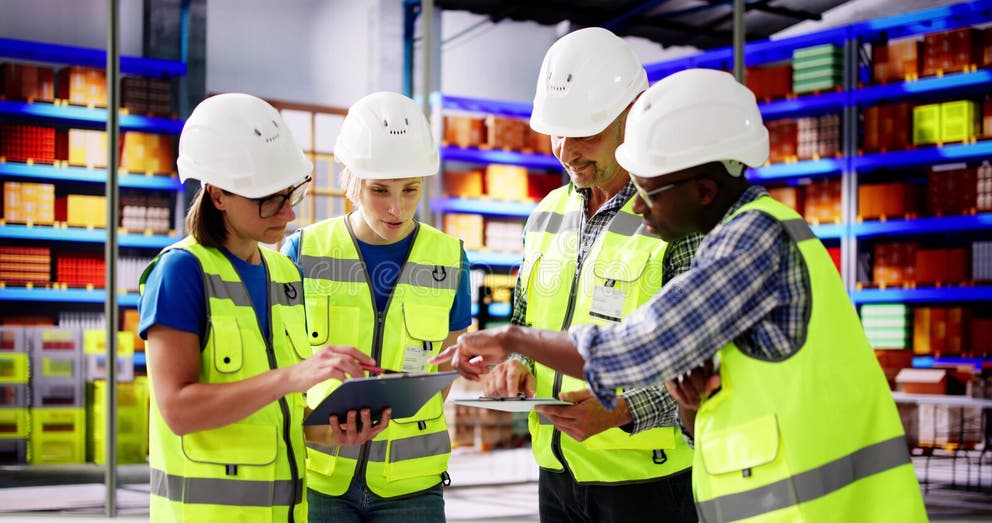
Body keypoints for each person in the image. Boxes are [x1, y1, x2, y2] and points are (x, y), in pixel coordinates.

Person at [433, 68, 928, 522]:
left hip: (815, 508)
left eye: (649, 192)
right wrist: (690, 409)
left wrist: (515, 339)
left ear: (704, 191)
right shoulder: (756, 231)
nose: (640, 211)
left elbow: (638, 348)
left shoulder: (754, 243)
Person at [477, 26, 700, 523]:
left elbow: (702, 356)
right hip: (555, 475)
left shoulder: (678, 217)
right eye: (558, 132)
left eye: (586, 133)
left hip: (647, 482)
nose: (567, 150)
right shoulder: (546, 214)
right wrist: (515, 364)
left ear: (633, 113)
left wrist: (622, 410)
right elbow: (523, 318)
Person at [139, 93, 384, 523]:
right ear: (217, 195)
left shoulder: (284, 274)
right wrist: (292, 377)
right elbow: (177, 410)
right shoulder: (180, 272)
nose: (288, 212)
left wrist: (334, 431)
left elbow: (277, 414)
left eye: (290, 195)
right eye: (269, 200)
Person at [281, 91, 472, 522]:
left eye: (411, 190)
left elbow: (445, 370)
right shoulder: (303, 251)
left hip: (412, 487)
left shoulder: (450, 258)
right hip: (322, 478)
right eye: (379, 190)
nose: (396, 207)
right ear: (350, 180)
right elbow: (280, 366)